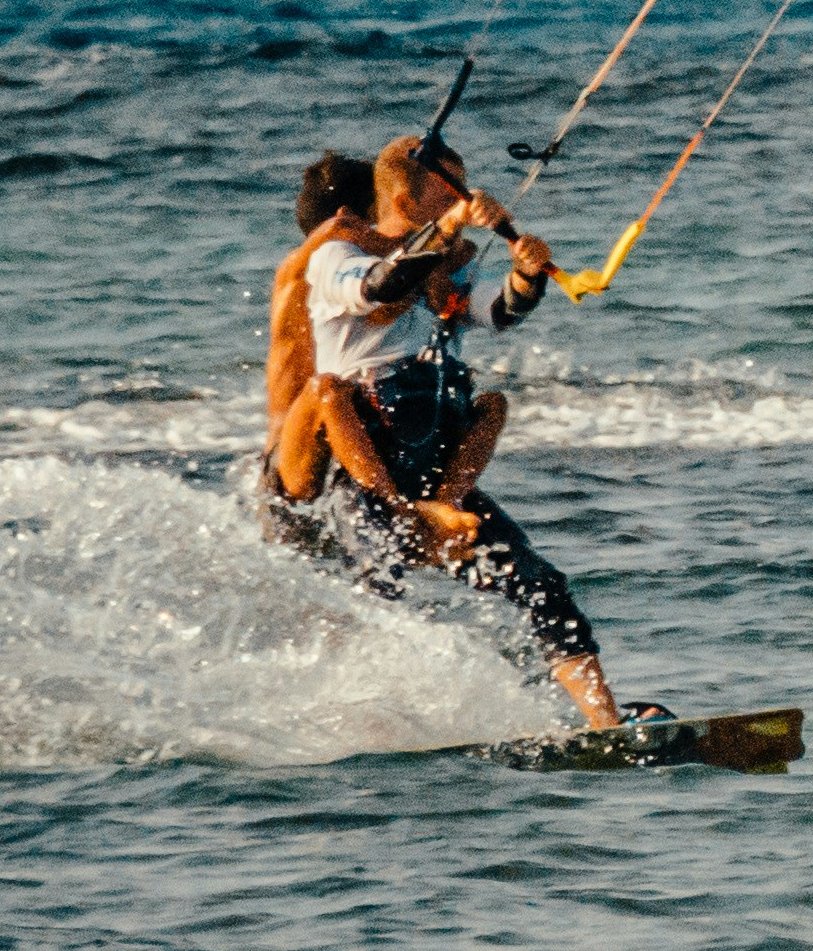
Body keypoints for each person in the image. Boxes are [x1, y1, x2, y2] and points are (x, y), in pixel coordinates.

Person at [258, 134, 627, 729]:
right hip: (361, 473)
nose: (470, 197)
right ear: (401, 200)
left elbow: (497, 310)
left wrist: (525, 274)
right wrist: (444, 229)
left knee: (542, 584)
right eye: (453, 189)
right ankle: (339, 716)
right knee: (371, 593)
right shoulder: (328, 261)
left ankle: (608, 724)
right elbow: (378, 290)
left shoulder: (441, 272)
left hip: (433, 465)